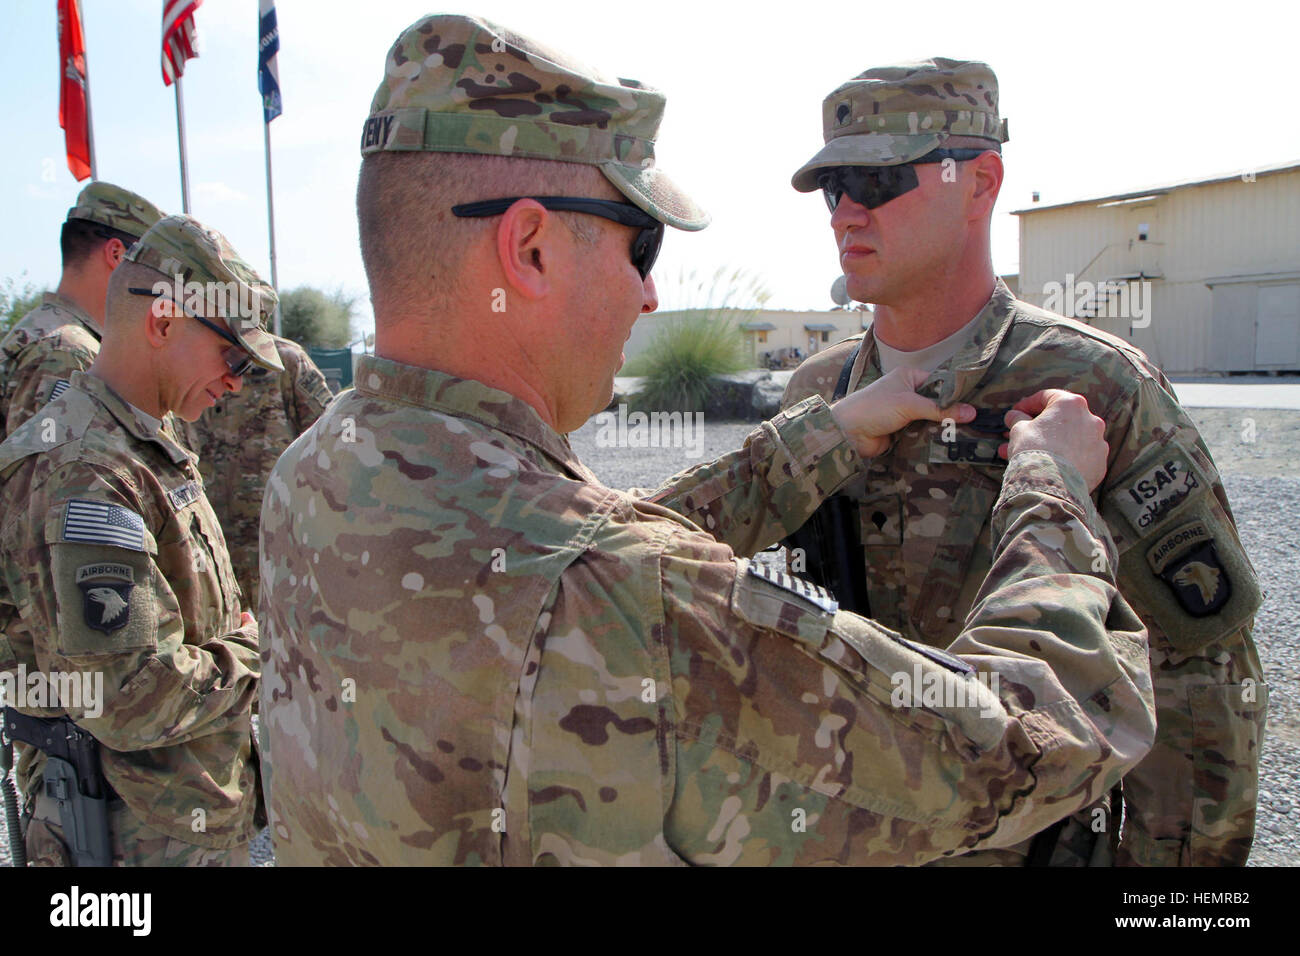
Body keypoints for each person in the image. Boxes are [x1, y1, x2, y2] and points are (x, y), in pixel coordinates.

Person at [258, 14, 1155, 866]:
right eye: (640, 246)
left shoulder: (316, 471)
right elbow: (1034, 742)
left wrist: (819, 438)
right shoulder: (637, 604)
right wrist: (1052, 490)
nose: (649, 297)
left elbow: (548, 559)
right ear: (528, 250)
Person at [782, 58, 1267, 866]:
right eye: (835, 189)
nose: (847, 216)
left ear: (981, 182)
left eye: (880, 181)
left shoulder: (1093, 386)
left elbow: (1197, 683)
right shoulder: (818, 394)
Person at [0, 214, 281, 866]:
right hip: (132, 839)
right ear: (162, 321)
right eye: (232, 355)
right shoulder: (90, 465)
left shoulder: (142, 441)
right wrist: (256, 649)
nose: (238, 379)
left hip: (176, 817)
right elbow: (126, 696)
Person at [0, 181, 164, 441]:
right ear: (117, 254)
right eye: (155, 265)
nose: (160, 282)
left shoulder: (46, 333)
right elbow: (48, 476)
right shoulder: (69, 354)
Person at [181, 333, 333, 606]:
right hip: (209, 557)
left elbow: (330, 447)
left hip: (281, 555)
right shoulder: (188, 360)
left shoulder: (286, 361)